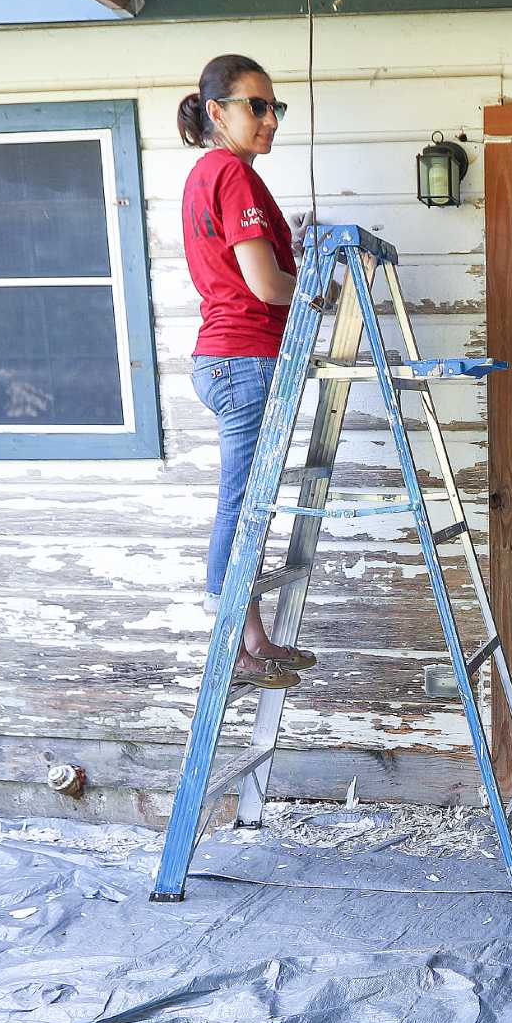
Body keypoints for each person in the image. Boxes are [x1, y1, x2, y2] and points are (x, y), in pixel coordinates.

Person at [178, 53, 314, 690]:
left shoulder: (213, 173)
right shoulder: (230, 172)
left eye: (273, 107)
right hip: (245, 358)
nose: (269, 120)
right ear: (217, 111)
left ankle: (251, 634)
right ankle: (229, 637)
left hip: (230, 356)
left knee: (250, 502)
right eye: (255, 106)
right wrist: (317, 289)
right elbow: (265, 285)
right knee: (240, 503)